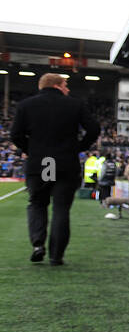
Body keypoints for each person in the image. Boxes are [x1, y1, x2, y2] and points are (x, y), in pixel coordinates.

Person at [10, 73, 100, 264]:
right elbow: (93, 129)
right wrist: (79, 147)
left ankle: (37, 244)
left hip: (42, 163)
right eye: (66, 85)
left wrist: (30, 149)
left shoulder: (26, 105)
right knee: (61, 209)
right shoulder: (75, 104)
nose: (68, 89)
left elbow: (16, 134)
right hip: (65, 163)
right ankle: (56, 255)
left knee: (38, 203)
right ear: (58, 85)